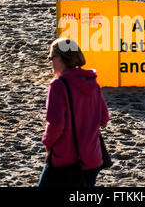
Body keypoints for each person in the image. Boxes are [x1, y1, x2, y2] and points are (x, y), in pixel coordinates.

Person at [38, 38, 109, 187]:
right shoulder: (91, 82)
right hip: (92, 158)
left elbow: (56, 125)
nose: (50, 61)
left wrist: (47, 142)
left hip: (66, 160)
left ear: (62, 57)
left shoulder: (58, 85)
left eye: (51, 57)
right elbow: (103, 118)